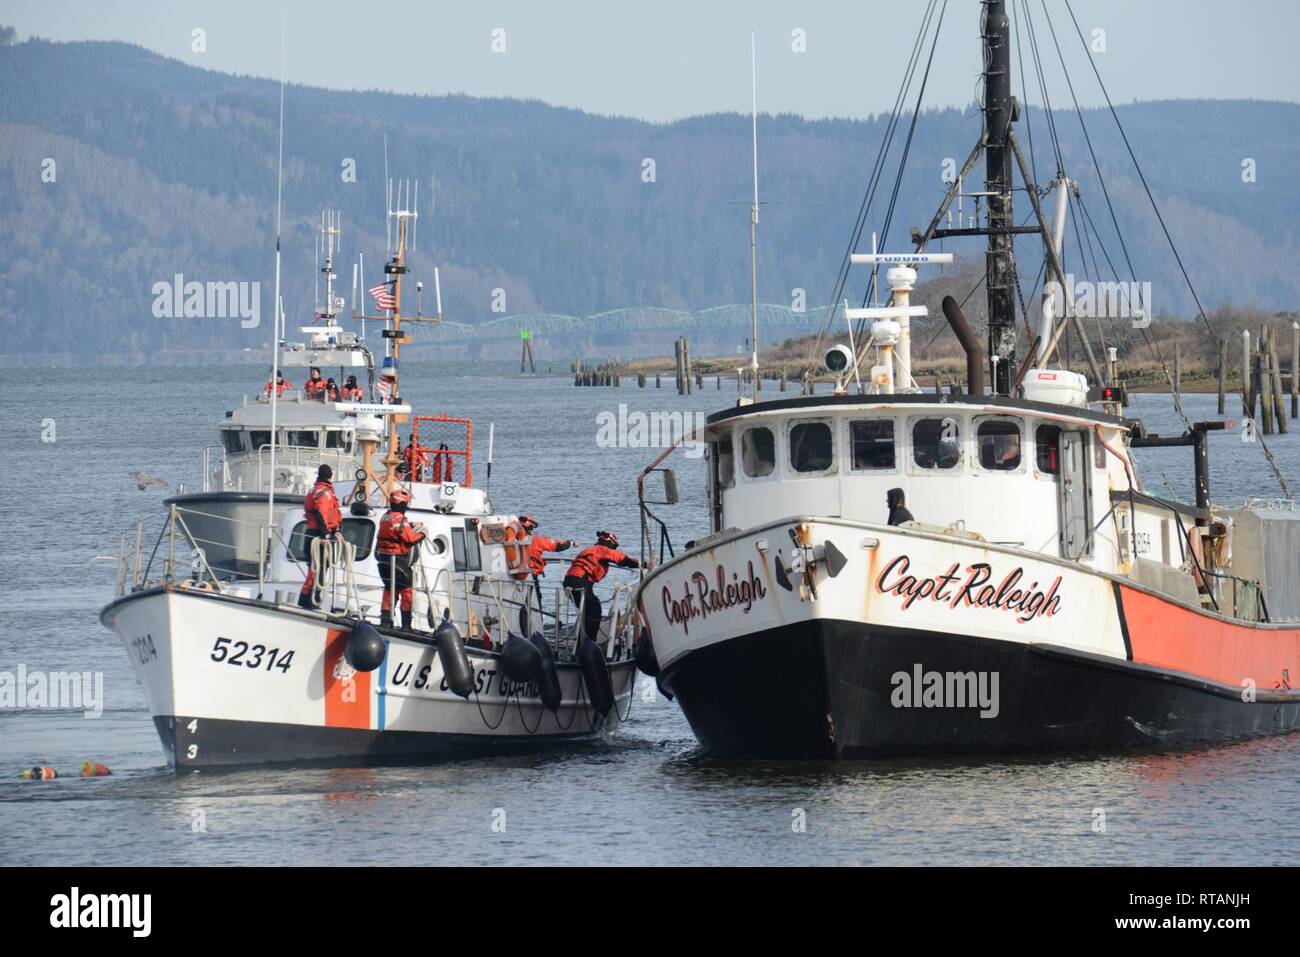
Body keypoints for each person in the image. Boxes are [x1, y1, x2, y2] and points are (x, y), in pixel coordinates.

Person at [562, 531, 640, 642]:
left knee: (588, 610)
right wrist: (641, 564)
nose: (613, 549)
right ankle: (589, 642)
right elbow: (622, 559)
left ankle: (582, 641)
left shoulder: (589, 550)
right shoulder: (603, 550)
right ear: (610, 543)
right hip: (579, 581)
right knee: (594, 610)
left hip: (570, 581)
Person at [376, 487, 426, 630]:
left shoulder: (385, 516)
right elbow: (410, 539)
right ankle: (406, 625)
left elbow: (395, 528)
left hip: (383, 561)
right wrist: (423, 533)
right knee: (407, 590)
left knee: (389, 589)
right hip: (398, 561)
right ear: (402, 504)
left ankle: (386, 621)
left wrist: (410, 525)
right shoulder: (399, 519)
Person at [517, 514, 573, 634]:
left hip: (514, 577)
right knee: (535, 603)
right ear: (530, 528)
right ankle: (536, 631)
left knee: (519, 605)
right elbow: (557, 546)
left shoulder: (510, 540)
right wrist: (571, 543)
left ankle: (523, 629)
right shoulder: (536, 541)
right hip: (531, 577)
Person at [299, 465, 342, 609]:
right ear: (329, 476)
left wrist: (336, 530)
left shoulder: (314, 491)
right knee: (317, 568)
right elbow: (321, 513)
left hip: (313, 532)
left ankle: (313, 597)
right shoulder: (325, 493)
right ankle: (307, 598)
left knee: (318, 567)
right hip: (318, 534)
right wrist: (326, 533)